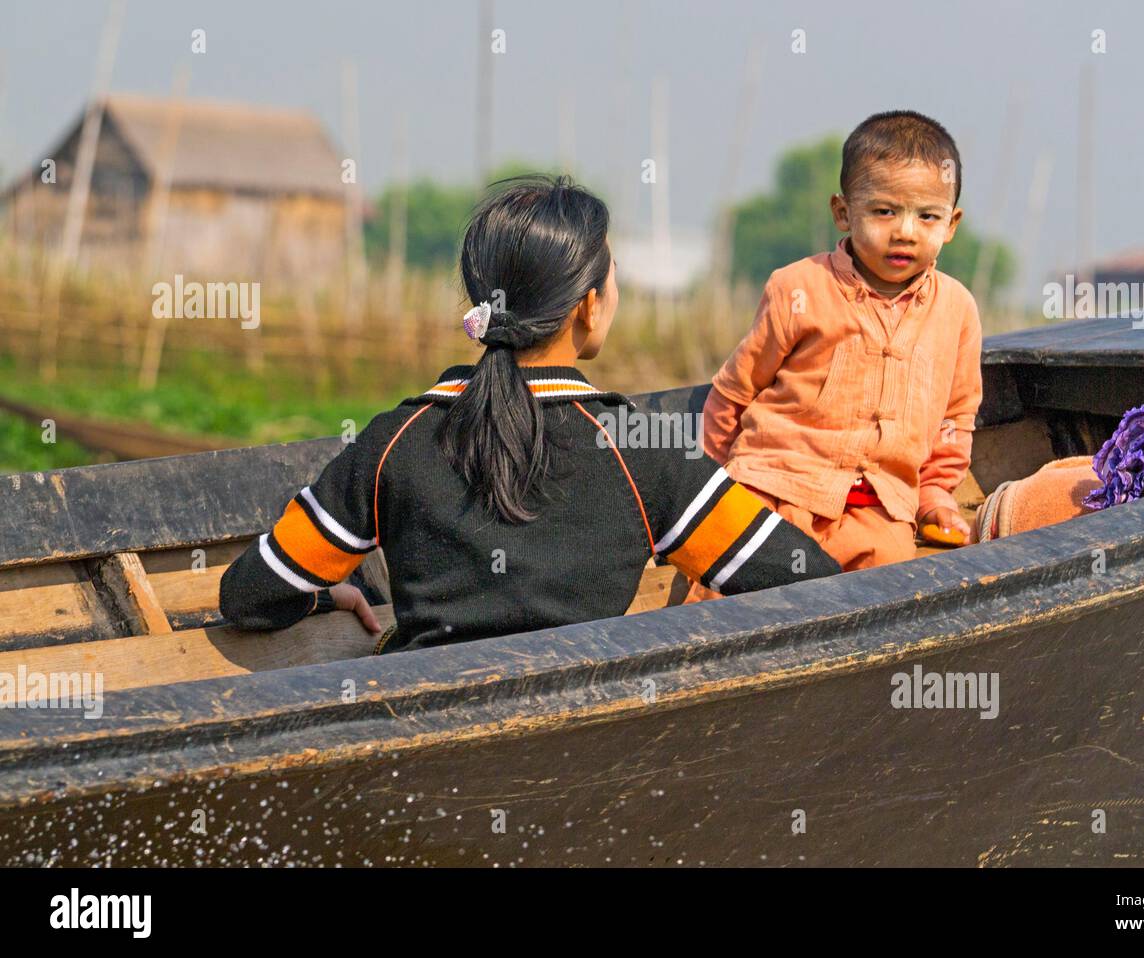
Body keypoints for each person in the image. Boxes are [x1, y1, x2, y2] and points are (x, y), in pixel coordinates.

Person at [219, 175, 842, 654]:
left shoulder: (396, 440)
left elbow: (248, 596)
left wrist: (324, 592)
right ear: (590, 307)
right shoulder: (638, 446)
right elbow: (806, 579)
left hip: (420, 756)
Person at [686, 110, 983, 602]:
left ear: (950, 225)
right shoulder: (798, 288)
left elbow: (956, 415)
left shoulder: (957, 311)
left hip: (879, 508)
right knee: (725, 602)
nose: (906, 231)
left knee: (887, 598)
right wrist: (712, 489)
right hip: (774, 488)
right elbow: (735, 391)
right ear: (844, 213)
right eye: (884, 212)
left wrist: (934, 495)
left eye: (926, 216)